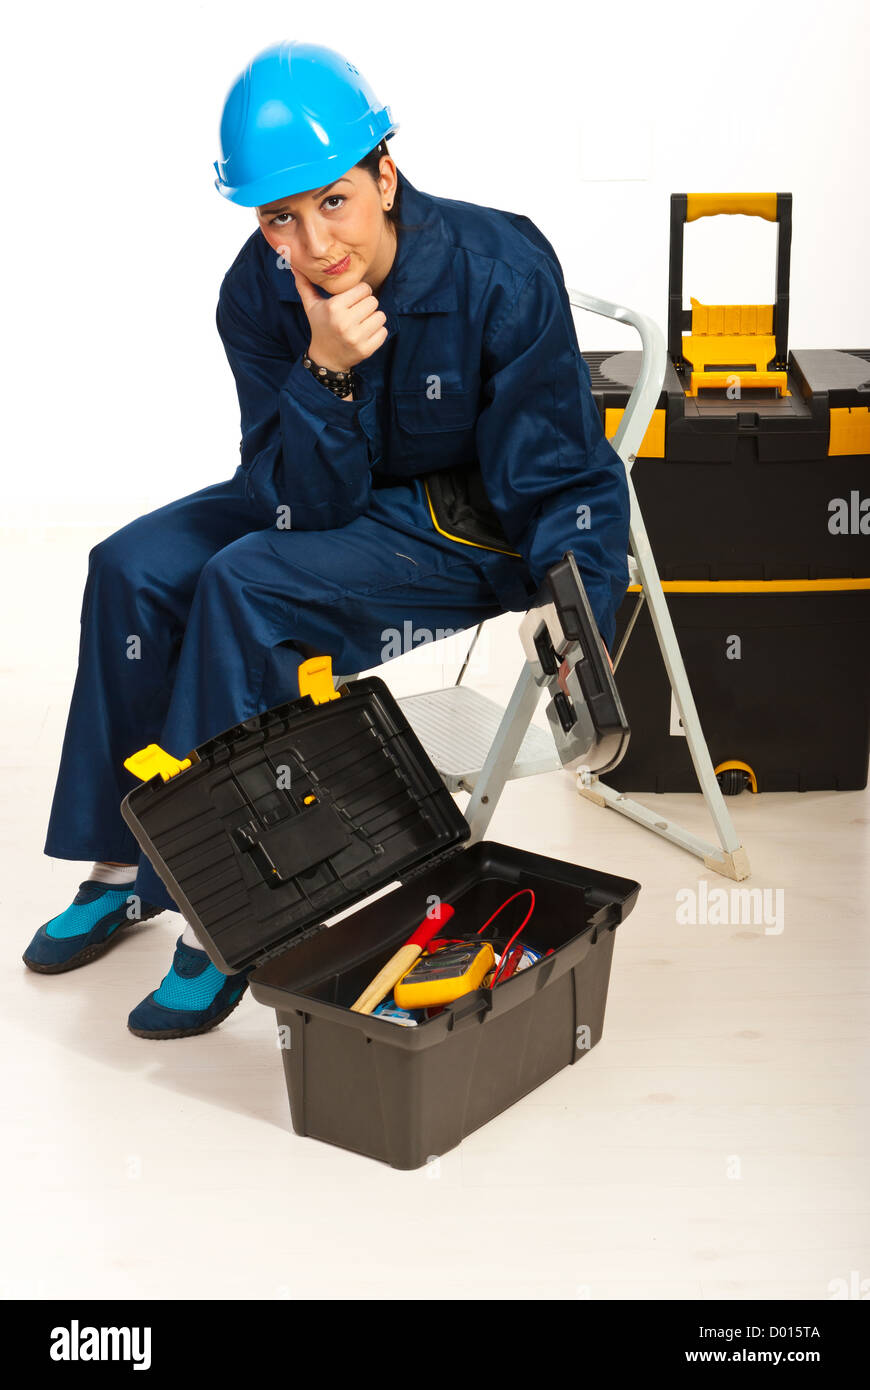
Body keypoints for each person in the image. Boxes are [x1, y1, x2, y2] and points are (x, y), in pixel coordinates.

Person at [23, 40, 630, 1038]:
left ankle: (229, 917)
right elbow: (290, 491)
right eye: (279, 218)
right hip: (319, 492)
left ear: (386, 172)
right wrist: (328, 373)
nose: (311, 243)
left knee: (245, 585)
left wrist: (583, 615)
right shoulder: (255, 292)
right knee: (129, 566)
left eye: (333, 200)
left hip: (465, 522)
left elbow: (562, 474)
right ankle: (127, 864)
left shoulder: (499, 267)